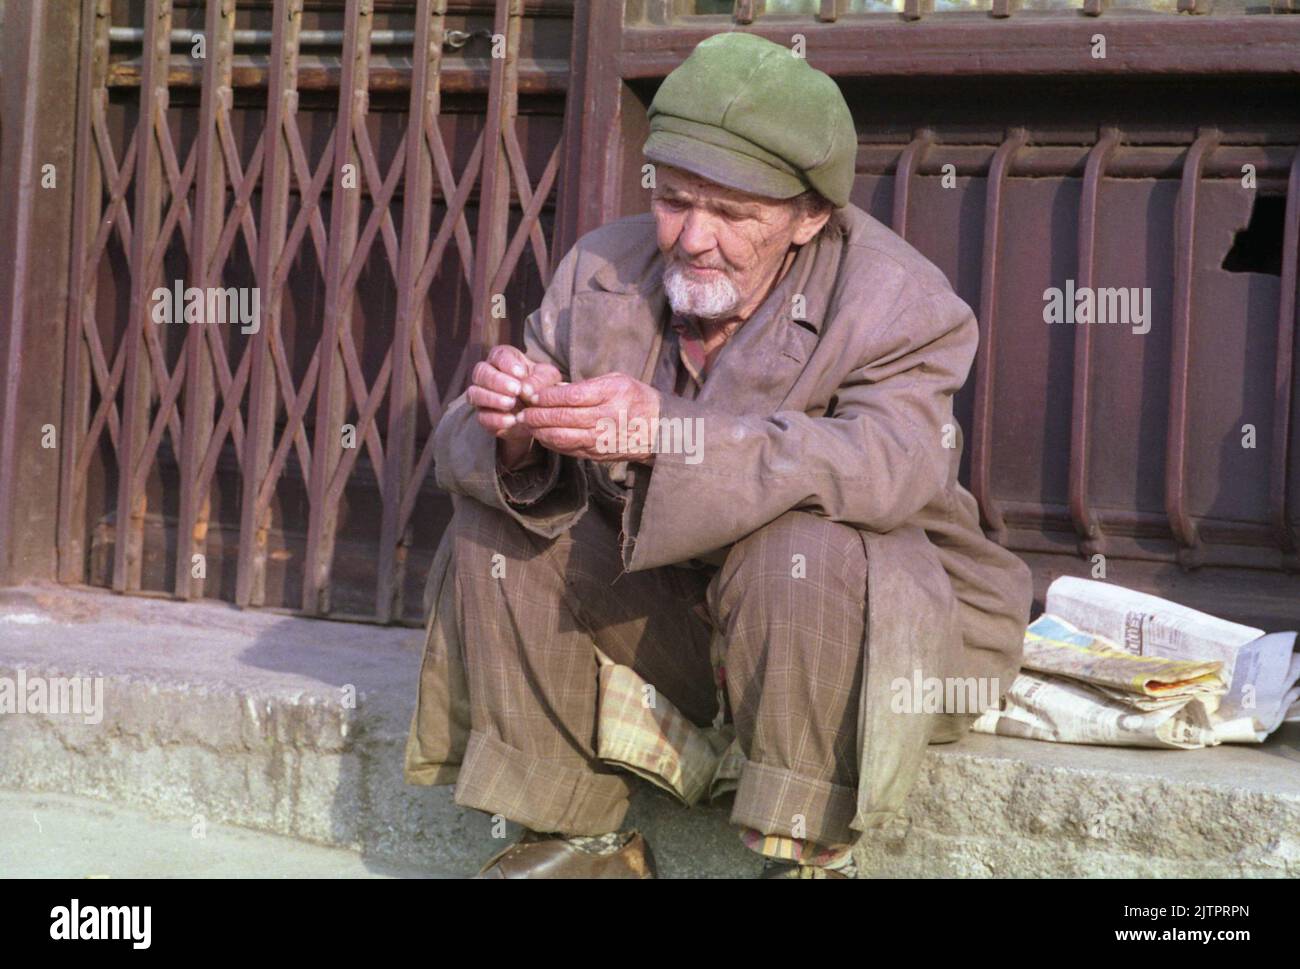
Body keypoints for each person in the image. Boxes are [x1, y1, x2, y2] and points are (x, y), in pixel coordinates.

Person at [403, 30, 1032, 879]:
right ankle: (577, 838)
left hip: (837, 629)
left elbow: (888, 465)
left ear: (811, 216)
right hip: (678, 621)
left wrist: (668, 433)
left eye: (734, 214)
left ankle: (803, 850)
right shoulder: (603, 266)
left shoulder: (902, 301)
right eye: (674, 199)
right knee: (500, 530)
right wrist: (514, 437)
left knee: (798, 551)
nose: (692, 238)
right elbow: (481, 440)